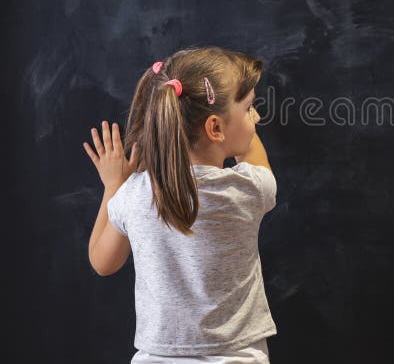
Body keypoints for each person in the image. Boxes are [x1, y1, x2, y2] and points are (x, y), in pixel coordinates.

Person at [84, 46, 278, 363]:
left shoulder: (133, 196)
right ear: (215, 128)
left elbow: (103, 262)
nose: (255, 117)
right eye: (249, 109)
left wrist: (113, 186)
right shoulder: (248, 189)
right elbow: (253, 156)